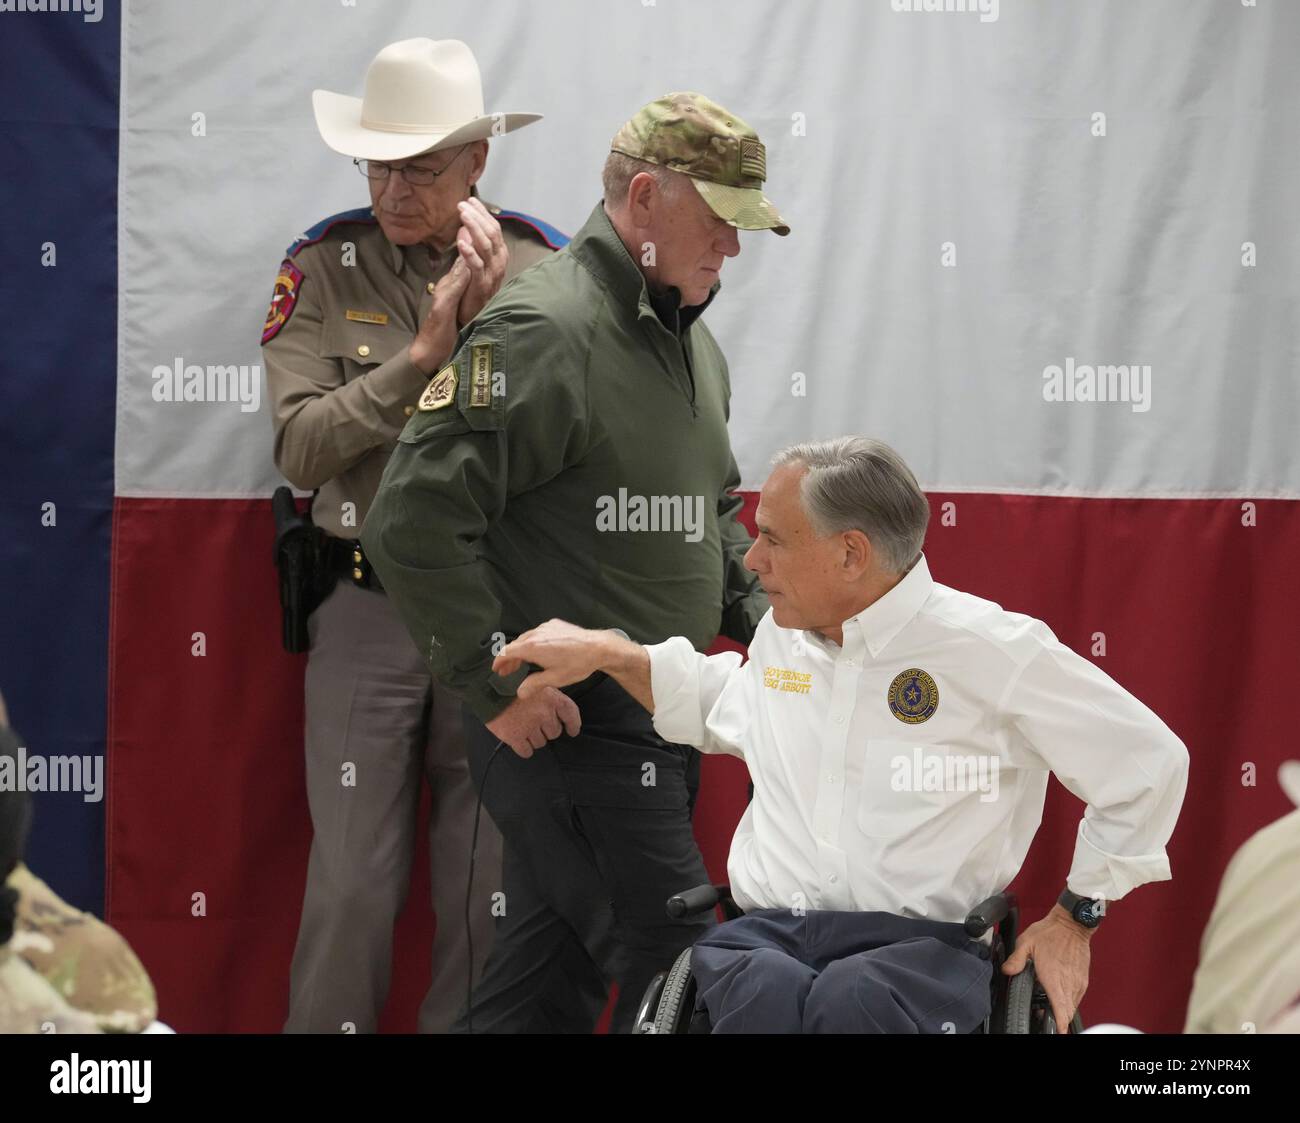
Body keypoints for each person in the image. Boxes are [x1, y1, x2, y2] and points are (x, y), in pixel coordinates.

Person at [492, 436, 1190, 1033]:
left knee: (852, 998)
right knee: (761, 990)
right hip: (768, 941)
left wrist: (1077, 917)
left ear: (851, 553)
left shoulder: (991, 648)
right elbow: (724, 700)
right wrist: (611, 652)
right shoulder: (783, 640)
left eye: (773, 538)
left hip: (920, 952)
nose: (752, 560)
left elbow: (1148, 762)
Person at [362, 92, 788, 1032]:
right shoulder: (545, 328)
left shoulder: (693, 342)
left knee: (542, 986)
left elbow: (709, 520)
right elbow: (409, 518)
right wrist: (491, 682)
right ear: (646, 198)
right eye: (719, 220)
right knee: (675, 963)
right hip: (570, 723)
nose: (734, 246)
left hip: (664, 715)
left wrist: (783, 636)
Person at [262, 37, 567, 1034]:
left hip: (494, 614)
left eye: (420, 166)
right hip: (364, 610)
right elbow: (301, 451)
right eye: (378, 164)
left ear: (477, 161)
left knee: (484, 889)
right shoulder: (320, 265)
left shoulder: (542, 274)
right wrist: (422, 358)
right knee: (351, 886)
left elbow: (569, 453)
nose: (394, 188)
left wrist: (482, 343)